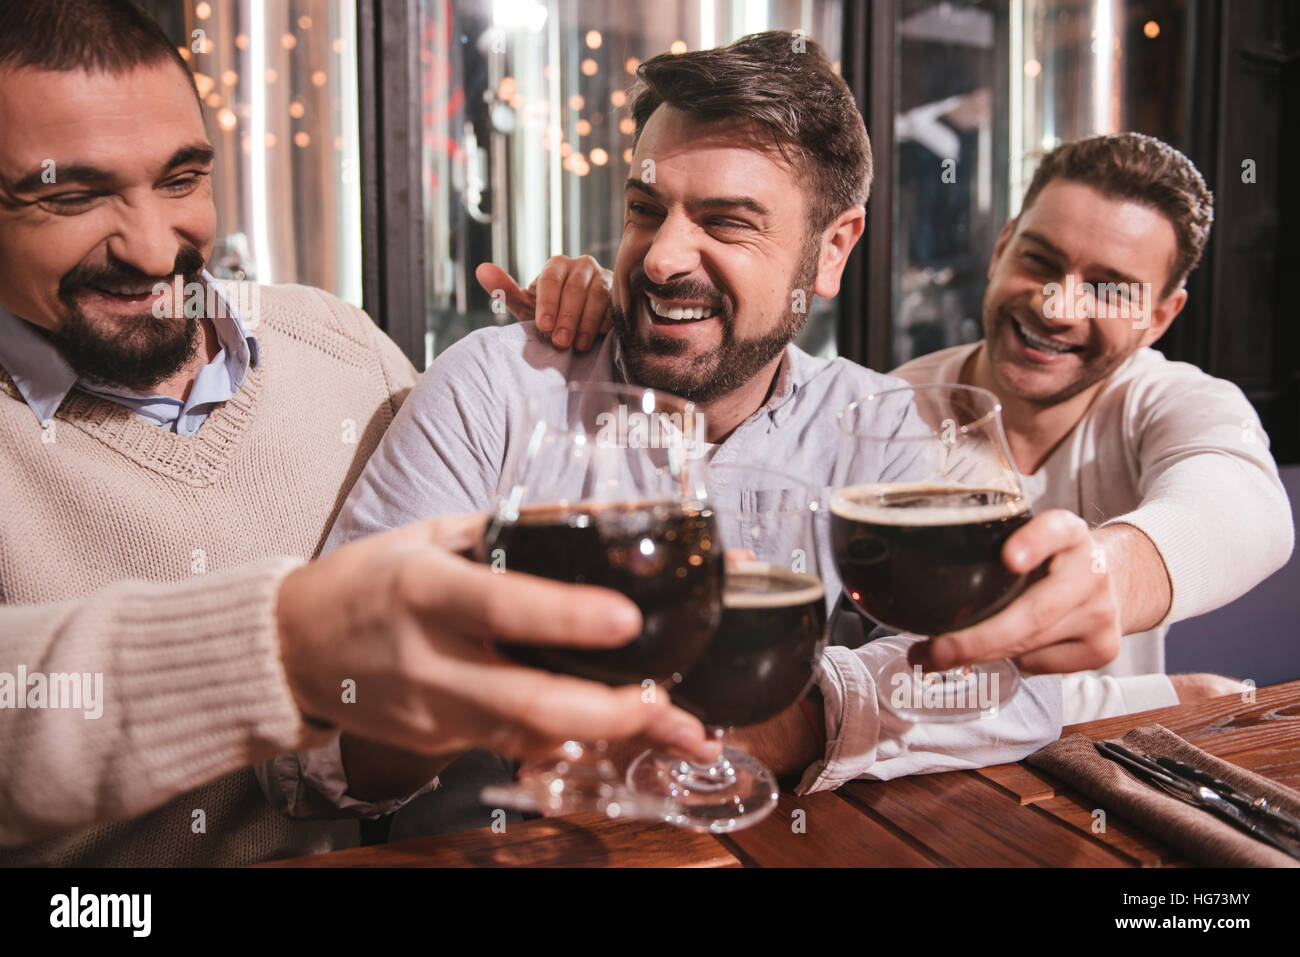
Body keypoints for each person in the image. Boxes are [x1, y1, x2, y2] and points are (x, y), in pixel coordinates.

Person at [0, 0, 715, 866]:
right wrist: (283, 644)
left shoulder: (335, 343)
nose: (154, 249)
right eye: (74, 195)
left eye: (182, 179)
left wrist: (584, 344)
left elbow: (479, 544)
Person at [325, 31, 1085, 797]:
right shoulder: (497, 388)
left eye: (725, 222)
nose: (660, 258)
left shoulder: (875, 424)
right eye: (644, 209)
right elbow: (324, 726)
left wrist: (789, 721)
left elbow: (1022, 684)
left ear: (832, 250)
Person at [890, 133, 1292, 723]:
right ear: (1002, 250)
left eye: (1109, 289)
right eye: (1040, 262)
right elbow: (898, 693)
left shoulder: (1166, 399)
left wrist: (1107, 571)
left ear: (1159, 317)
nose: (1057, 307)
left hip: (1112, 780)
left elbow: (1246, 506)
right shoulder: (888, 411)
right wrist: (1168, 696)